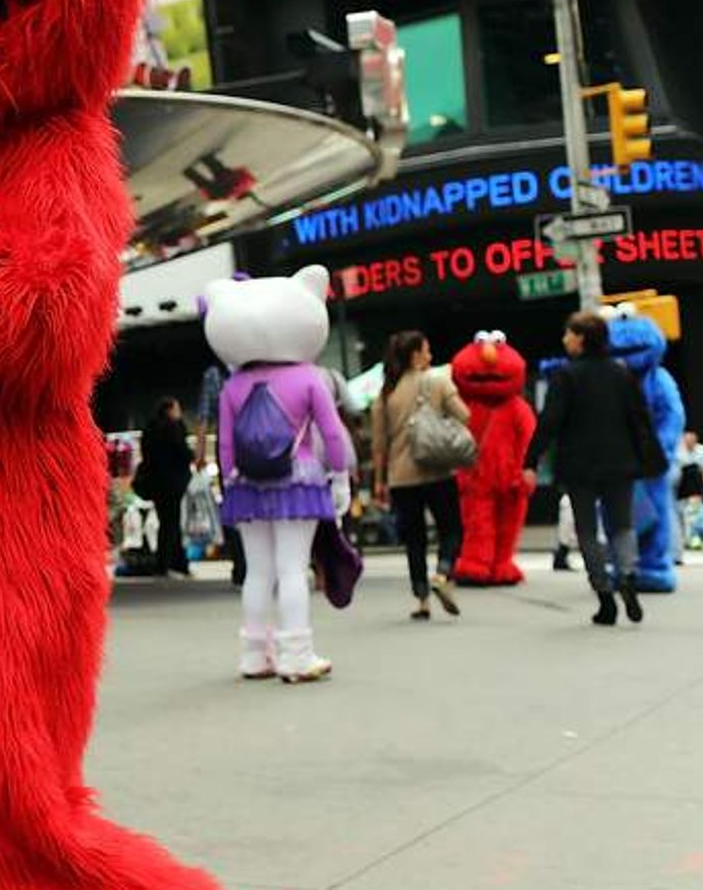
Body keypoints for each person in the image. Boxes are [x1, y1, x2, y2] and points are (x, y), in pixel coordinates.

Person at [204, 267, 355, 684]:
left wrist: (231, 482)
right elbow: (332, 434)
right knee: (292, 569)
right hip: (299, 481)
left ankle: (255, 655)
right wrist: (340, 477)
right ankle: (296, 655)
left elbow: (226, 447)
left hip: (247, 487)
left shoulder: (233, 386)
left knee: (258, 571)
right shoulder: (308, 378)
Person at [522, 311, 659, 626]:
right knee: (622, 524)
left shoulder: (566, 376)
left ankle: (604, 595)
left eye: (569, 334)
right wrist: (647, 458)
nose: (565, 339)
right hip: (620, 462)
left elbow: (550, 422)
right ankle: (627, 575)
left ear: (581, 339)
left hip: (579, 465)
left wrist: (531, 460)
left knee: (586, 530)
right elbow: (640, 418)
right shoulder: (621, 373)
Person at [370, 330, 468, 621]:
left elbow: (379, 444)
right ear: (415, 355)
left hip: (401, 476)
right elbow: (463, 415)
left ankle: (422, 599)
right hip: (438, 469)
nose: (430, 356)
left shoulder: (386, 392)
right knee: (452, 528)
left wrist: (379, 481)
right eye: (426, 351)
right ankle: (443, 572)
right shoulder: (437, 381)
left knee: (414, 539)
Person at [135, 397, 194, 576]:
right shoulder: (174, 428)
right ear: (169, 410)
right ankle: (168, 563)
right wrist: (192, 455)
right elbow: (183, 452)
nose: (179, 413)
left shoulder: (150, 429)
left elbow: (146, 455)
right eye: (177, 409)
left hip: (156, 484)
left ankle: (175, 562)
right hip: (173, 483)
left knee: (166, 522)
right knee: (172, 523)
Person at [674, 429, 703, 554]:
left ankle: (701, 538)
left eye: (692, 439)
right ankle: (682, 541)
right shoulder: (677, 450)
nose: (689, 441)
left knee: (699, 512)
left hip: (697, 486)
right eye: (687, 439)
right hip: (680, 486)